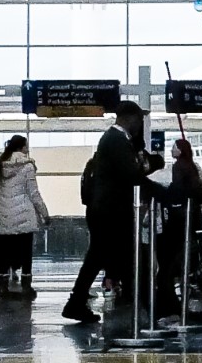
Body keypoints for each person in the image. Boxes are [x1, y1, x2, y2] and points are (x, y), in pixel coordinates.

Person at [64, 101, 152, 323]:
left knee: (101, 257)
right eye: (139, 119)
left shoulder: (117, 140)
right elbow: (131, 175)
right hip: (111, 211)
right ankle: (150, 308)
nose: (141, 123)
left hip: (106, 210)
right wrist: (160, 191)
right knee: (128, 257)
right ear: (130, 118)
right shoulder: (115, 140)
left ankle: (76, 302)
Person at [0, 135, 52, 299]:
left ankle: (2, 288)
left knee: (3, 253)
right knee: (25, 253)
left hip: (3, 214)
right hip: (23, 214)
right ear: (22, 147)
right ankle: (26, 288)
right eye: (26, 146)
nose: (27, 149)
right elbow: (33, 193)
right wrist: (44, 213)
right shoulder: (27, 166)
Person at [156, 137, 202, 320]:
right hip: (194, 216)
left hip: (180, 219)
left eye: (174, 147)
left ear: (180, 151)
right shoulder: (193, 166)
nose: (171, 150)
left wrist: (164, 194)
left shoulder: (179, 167)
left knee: (170, 257)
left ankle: (167, 302)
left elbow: (177, 189)